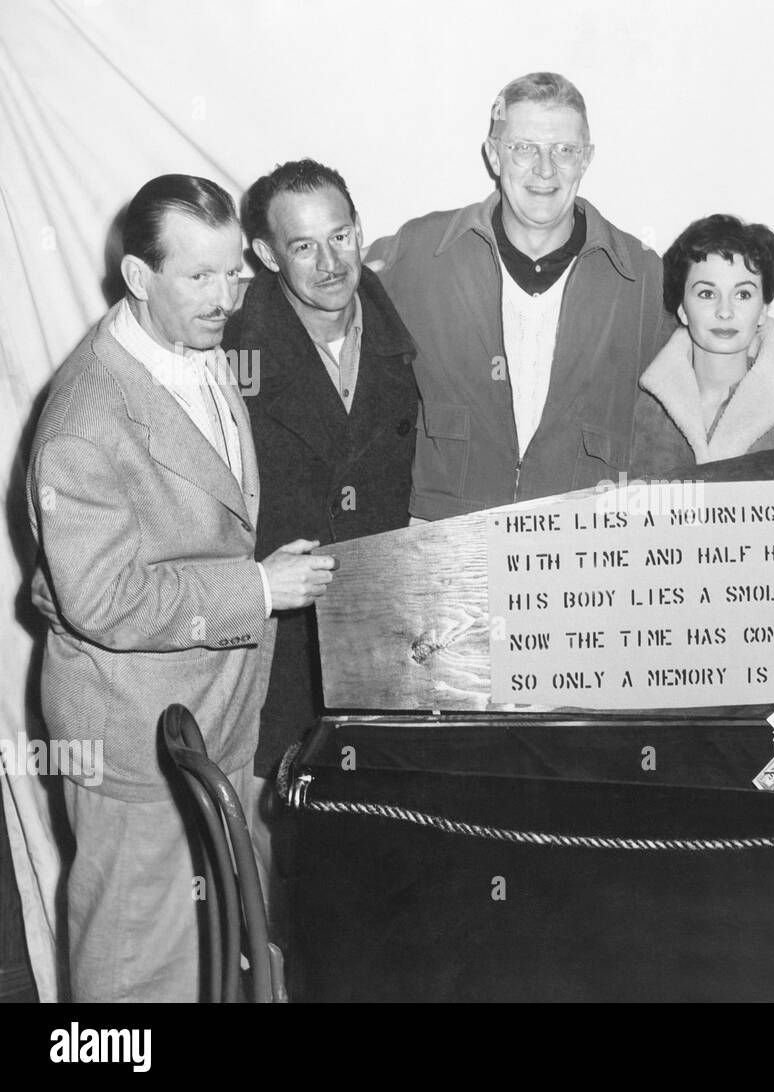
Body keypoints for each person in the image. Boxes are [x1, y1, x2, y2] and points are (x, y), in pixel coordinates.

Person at [26, 174, 334, 1002]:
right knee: (136, 971)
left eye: (235, 272)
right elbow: (101, 599)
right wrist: (259, 590)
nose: (227, 297)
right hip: (134, 742)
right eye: (200, 276)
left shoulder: (189, 347)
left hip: (207, 719)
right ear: (138, 278)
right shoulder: (85, 421)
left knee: (207, 954)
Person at [224, 159, 420, 930]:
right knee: (283, 855)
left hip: (382, 639)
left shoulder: (401, 321)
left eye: (341, 235)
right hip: (278, 645)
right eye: (303, 247)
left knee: (379, 853)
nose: (332, 262)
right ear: (267, 255)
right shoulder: (230, 343)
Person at [365, 71, 674, 520]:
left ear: (587, 158)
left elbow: (712, 355)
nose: (545, 169)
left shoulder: (642, 274)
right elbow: (324, 307)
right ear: (494, 154)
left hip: (580, 541)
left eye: (564, 151)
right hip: (445, 536)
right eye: (524, 148)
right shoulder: (418, 252)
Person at [629, 214, 774, 476]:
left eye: (743, 294)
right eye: (707, 293)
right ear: (683, 309)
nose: (725, 311)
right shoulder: (642, 408)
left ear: (763, 310)